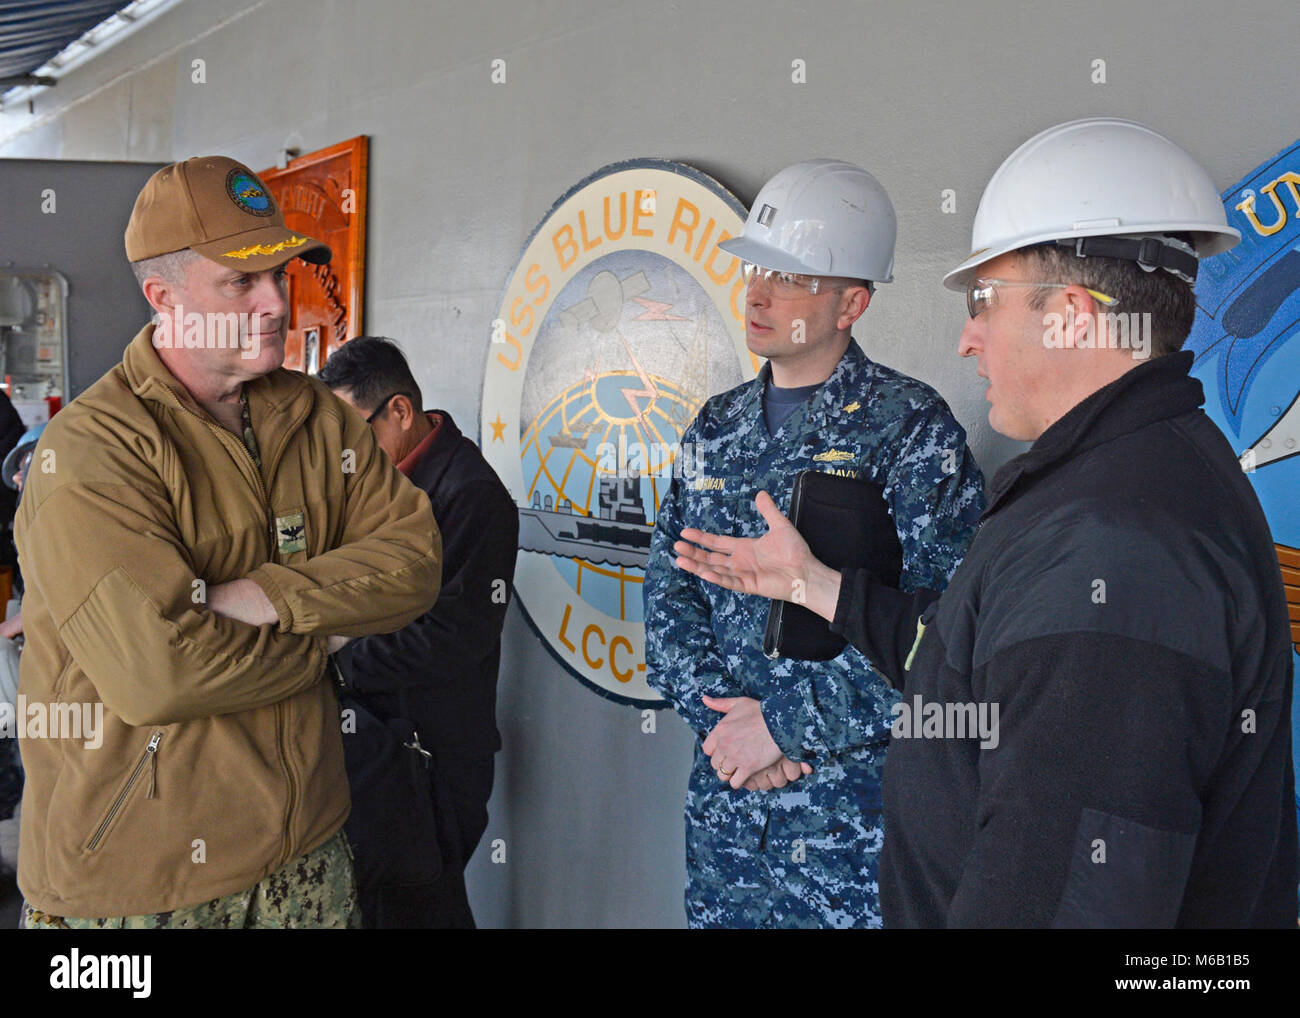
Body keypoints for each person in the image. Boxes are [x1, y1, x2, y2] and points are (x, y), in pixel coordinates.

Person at [672, 119, 1298, 927]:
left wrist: (790, 721)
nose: (966, 339)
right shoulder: (1126, 479)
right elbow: (969, 667)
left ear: (1072, 314)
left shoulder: (1113, 542)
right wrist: (819, 588)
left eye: (983, 303)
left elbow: (1068, 893)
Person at [14, 156, 442, 929]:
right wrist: (327, 636)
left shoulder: (315, 417)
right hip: (141, 887)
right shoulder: (93, 452)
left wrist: (266, 597)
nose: (277, 301)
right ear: (163, 299)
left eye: (280, 272)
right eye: (240, 283)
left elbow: (414, 562)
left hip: (306, 854)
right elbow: (160, 676)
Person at [644, 159, 985, 928]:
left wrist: (784, 727)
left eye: (791, 279)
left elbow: (950, 631)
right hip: (728, 816)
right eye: (756, 270)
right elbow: (668, 592)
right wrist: (728, 730)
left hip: (849, 827)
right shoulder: (715, 426)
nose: (758, 294)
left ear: (851, 304)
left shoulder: (908, 427)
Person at [318, 336, 517, 928]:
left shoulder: (469, 494)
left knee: (421, 910)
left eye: (353, 434)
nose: (343, 456)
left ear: (400, 411)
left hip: (431, 755)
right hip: (371, 744)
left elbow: (452, 638)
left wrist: (335, 656)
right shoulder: (369, 485)